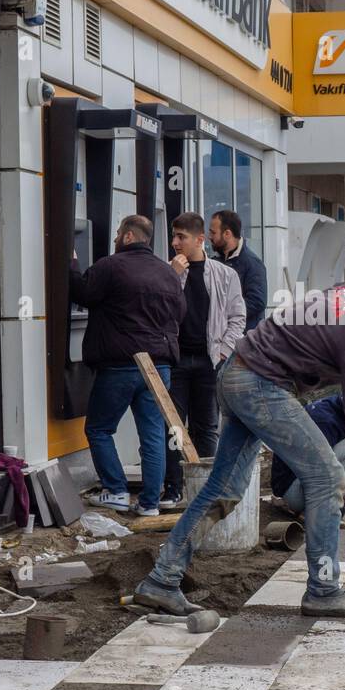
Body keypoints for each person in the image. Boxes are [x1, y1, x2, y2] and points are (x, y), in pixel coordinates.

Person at [132, 266, 345, 620]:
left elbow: (326, 334)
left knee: (224, 487)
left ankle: (161, 580)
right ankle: (324, 589)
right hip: (260, 383)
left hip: (240, 372)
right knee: (327, 476)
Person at [70, 215, 185, 516]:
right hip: (159, 366)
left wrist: (71, 264)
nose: (115, 238)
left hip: (121, 365)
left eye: (119, 232)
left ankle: (117, 491)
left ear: (130, 237)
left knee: (98, 428)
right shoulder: (167, 272)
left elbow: (82, 293)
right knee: (153, 433)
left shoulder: (110, 266)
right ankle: (149, 504)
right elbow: (180, 313)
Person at [162, 212, 246, 509]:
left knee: (206, 427)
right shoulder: (168, 273)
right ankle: (172, 489)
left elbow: (238, 317)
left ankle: (207, 490)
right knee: (173, 428)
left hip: (211, 363)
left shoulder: (224, 275)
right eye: (173, 236)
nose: (175, 243)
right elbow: (158, 310)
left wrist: (223, 352)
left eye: (181, 237)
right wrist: (171, 276)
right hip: (177, 361)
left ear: (199, 240)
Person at [270, 394, 345, 527]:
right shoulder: (324, 421)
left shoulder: (340, 411)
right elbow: (318, 471)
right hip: (292, 490)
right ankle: (325, 509)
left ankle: (323, 506)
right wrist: (344, 511)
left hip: (300, 483)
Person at [209, 210, 268, 331]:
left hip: (244, 340)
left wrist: (222, 312)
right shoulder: (215, 261)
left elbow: (257, 302)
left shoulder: (253, 263)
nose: (209, 237)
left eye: (213, 232)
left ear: (227, 234)